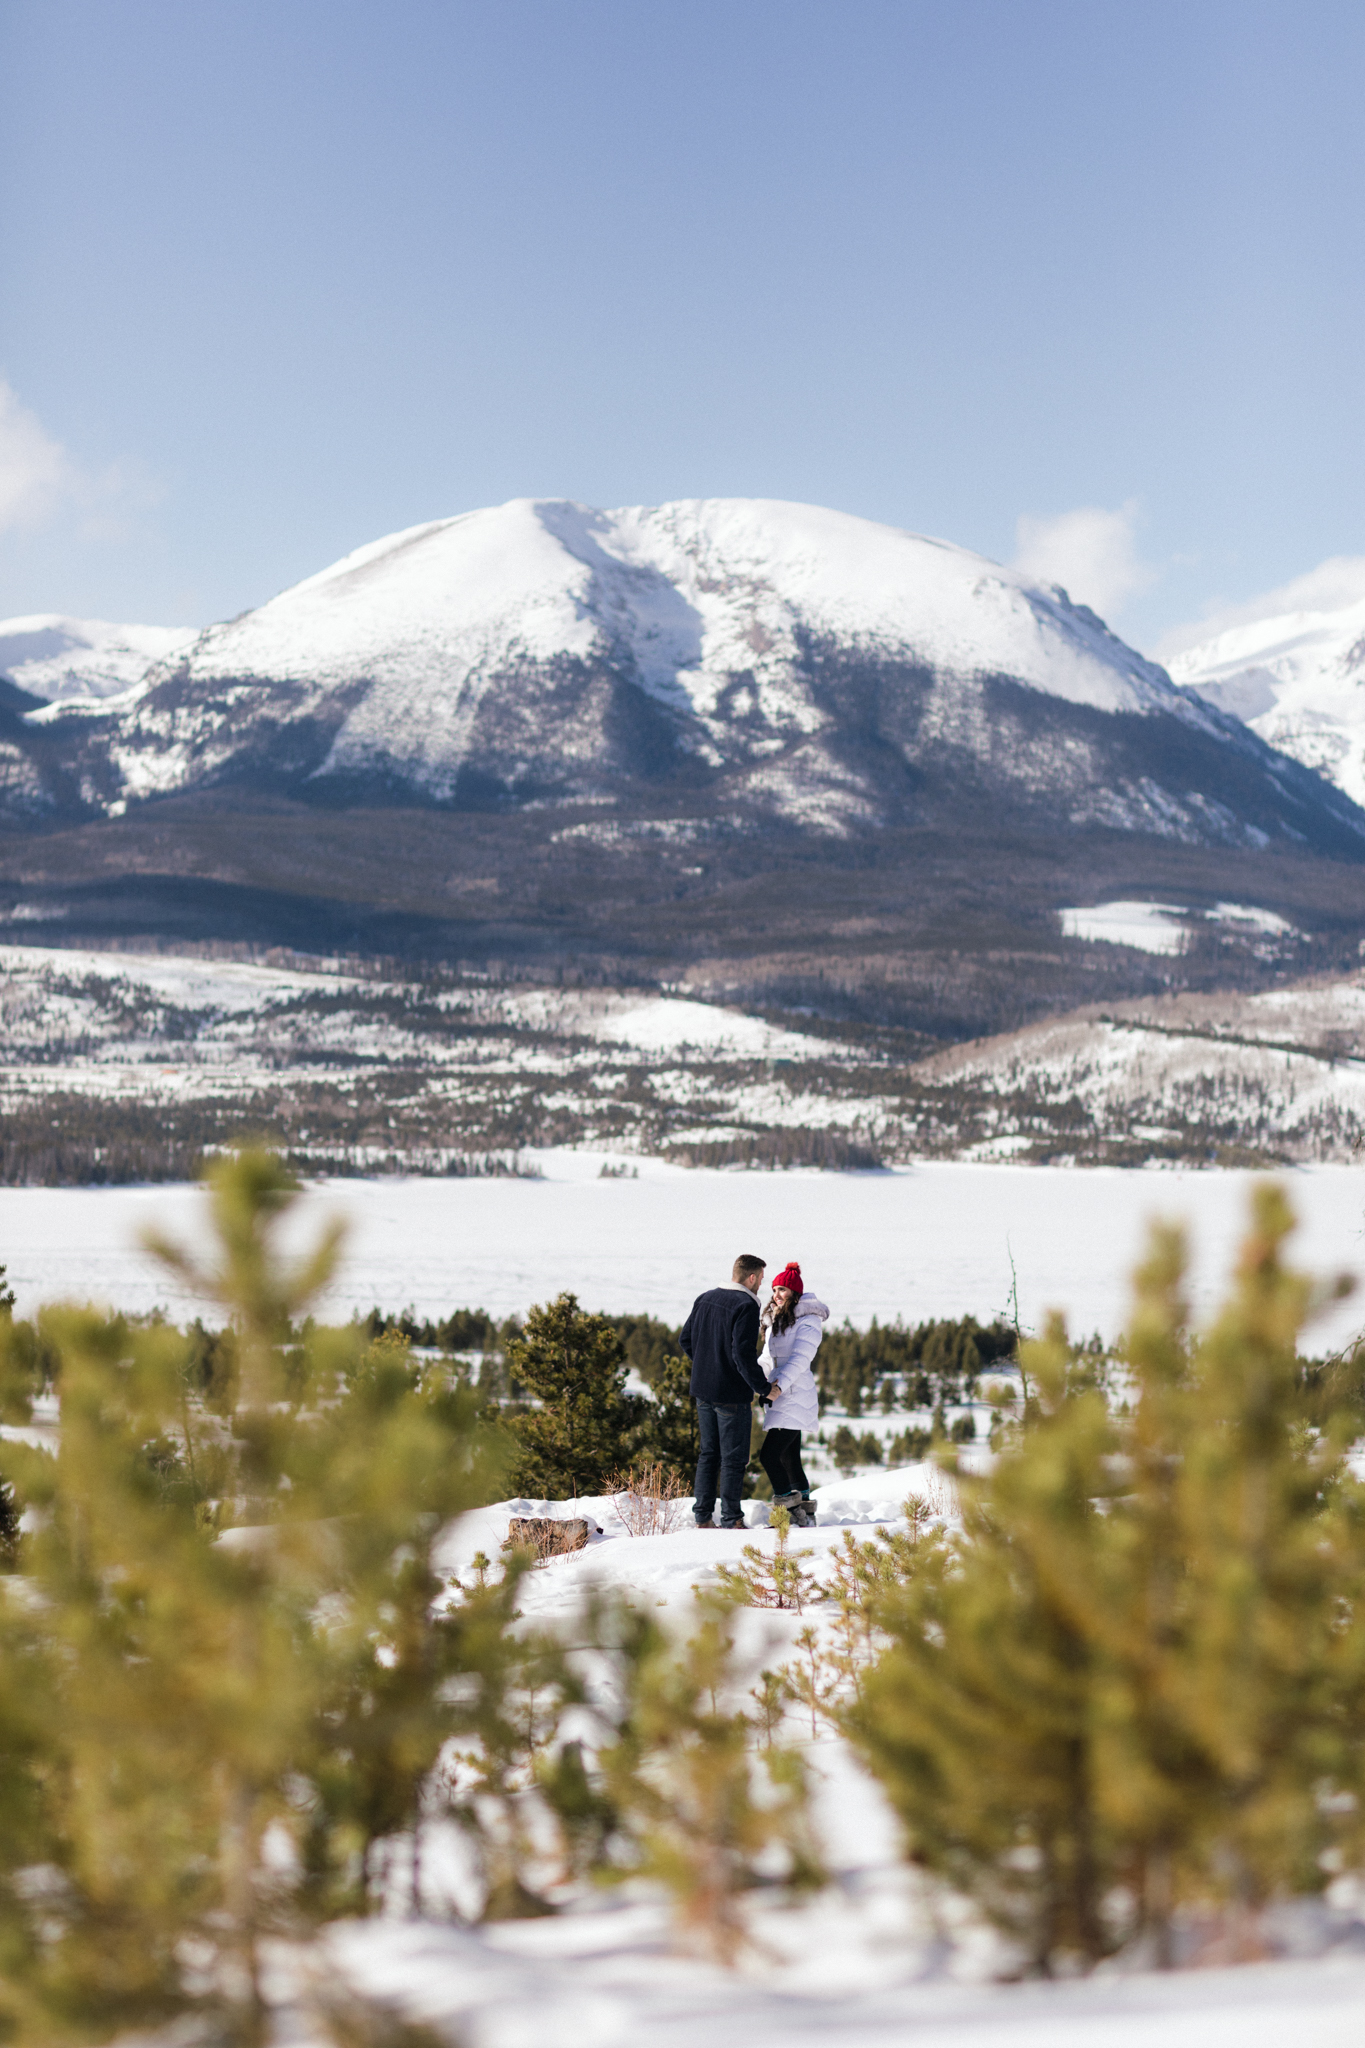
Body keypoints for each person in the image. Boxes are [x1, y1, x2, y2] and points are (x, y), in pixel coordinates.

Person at [680, 1252, 769, 1529]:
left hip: (703, 1390)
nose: (761, 1285)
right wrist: (764, 1388)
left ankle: (703, 1517)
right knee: (733, 1459)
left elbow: (685, 1339)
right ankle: (731, 1519)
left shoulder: (705, 1298)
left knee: (709, 1454)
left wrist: (707, 1365)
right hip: (730, 1393)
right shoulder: (746, 1305)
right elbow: (743, 1355)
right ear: (751, 1277)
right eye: (761, 1279)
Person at [757, 1261, 827, 1529]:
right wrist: (759, 1382)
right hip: (779, 1393)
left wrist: (777, 1388)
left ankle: (788, 1513)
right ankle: (805, 1514)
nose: (776, 1294)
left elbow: (800, 1360)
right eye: (774, 1289)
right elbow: (767, 1358)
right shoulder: (776, 1319)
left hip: (794, 1394)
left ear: (795, 1293)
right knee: (789, 1458)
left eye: (782, 1289)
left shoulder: (808, 1321)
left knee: (769, 1456)